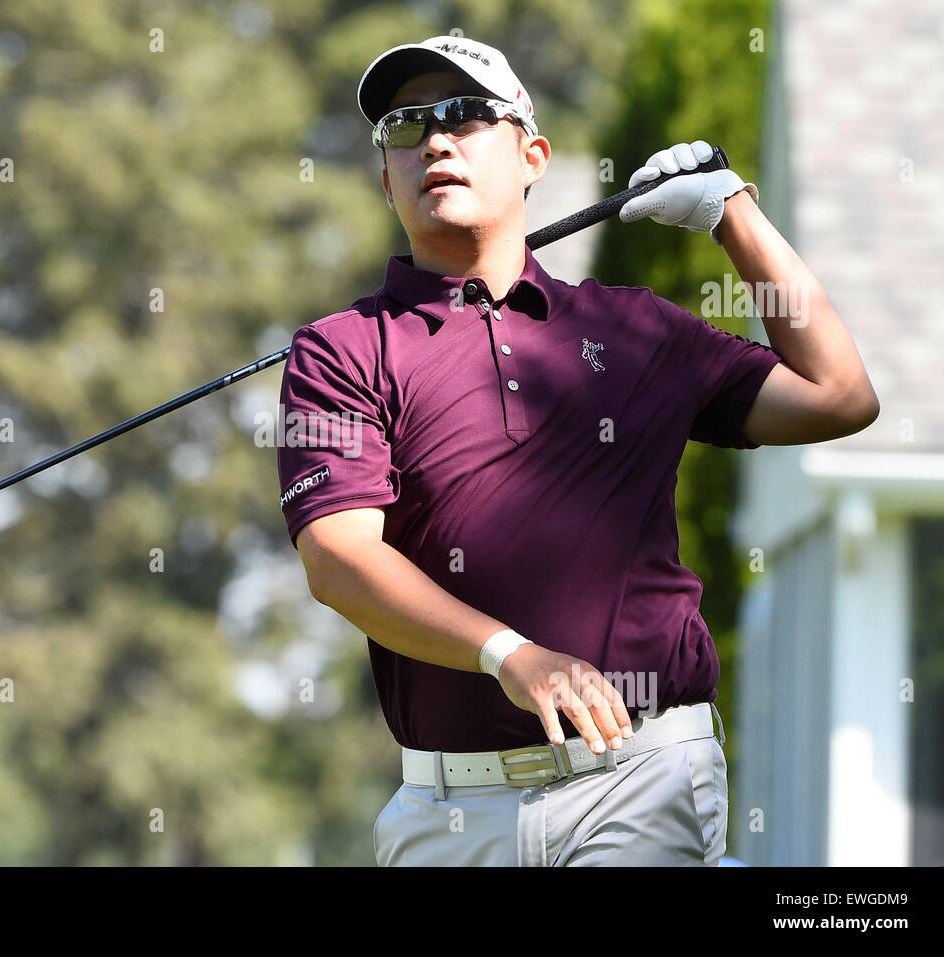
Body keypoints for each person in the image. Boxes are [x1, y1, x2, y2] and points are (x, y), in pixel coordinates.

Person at [274, 35, 879, 866]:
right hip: (448, 808)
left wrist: (732, 211)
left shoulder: (635, 328)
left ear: (534, 156)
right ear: (387, 178)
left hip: (639, 779)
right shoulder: (339, 351)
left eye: (464, 115)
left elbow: (839, 395)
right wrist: (510, 654)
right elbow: (338, 559)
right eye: (407, 128)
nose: (435, 140)